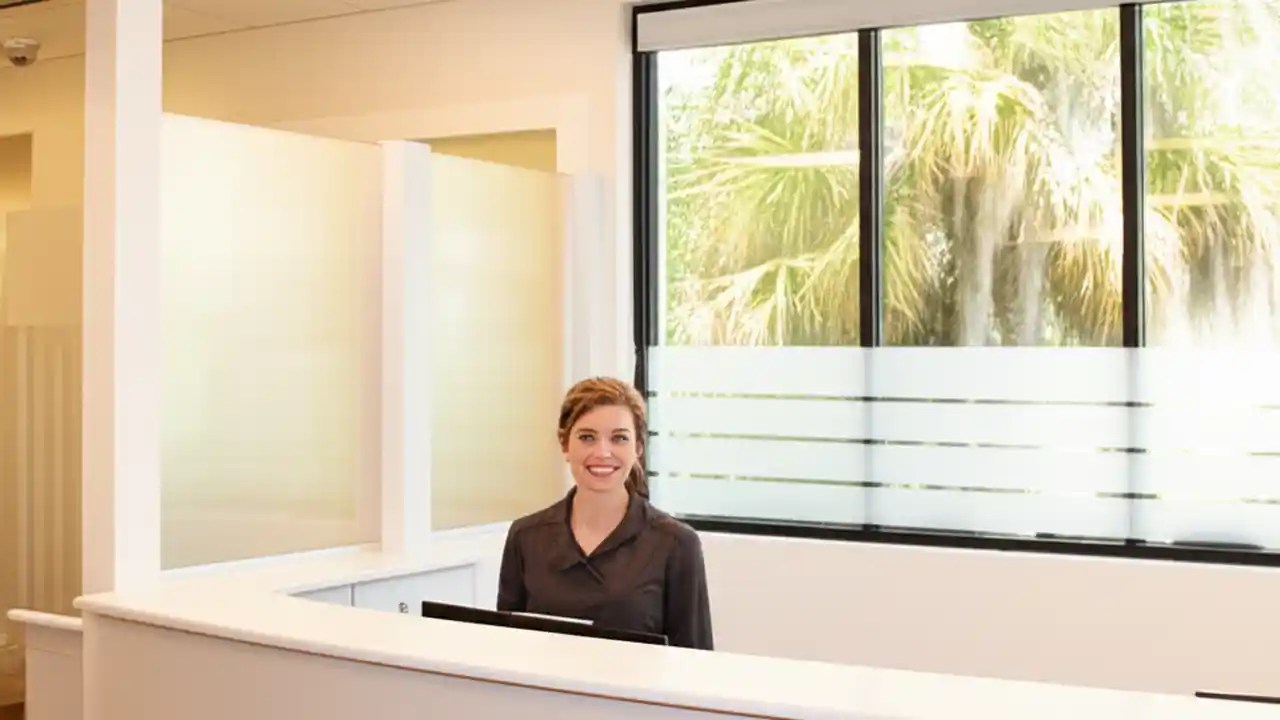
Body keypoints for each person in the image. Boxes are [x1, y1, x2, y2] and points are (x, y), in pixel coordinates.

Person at [496, 377, 714, 650]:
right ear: (564, 444)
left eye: (619, 438)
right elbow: (506, 651)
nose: (603, 452)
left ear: (637, 448)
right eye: (587, 437)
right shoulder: (525, 537)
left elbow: (695, 661)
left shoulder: (676, 544)